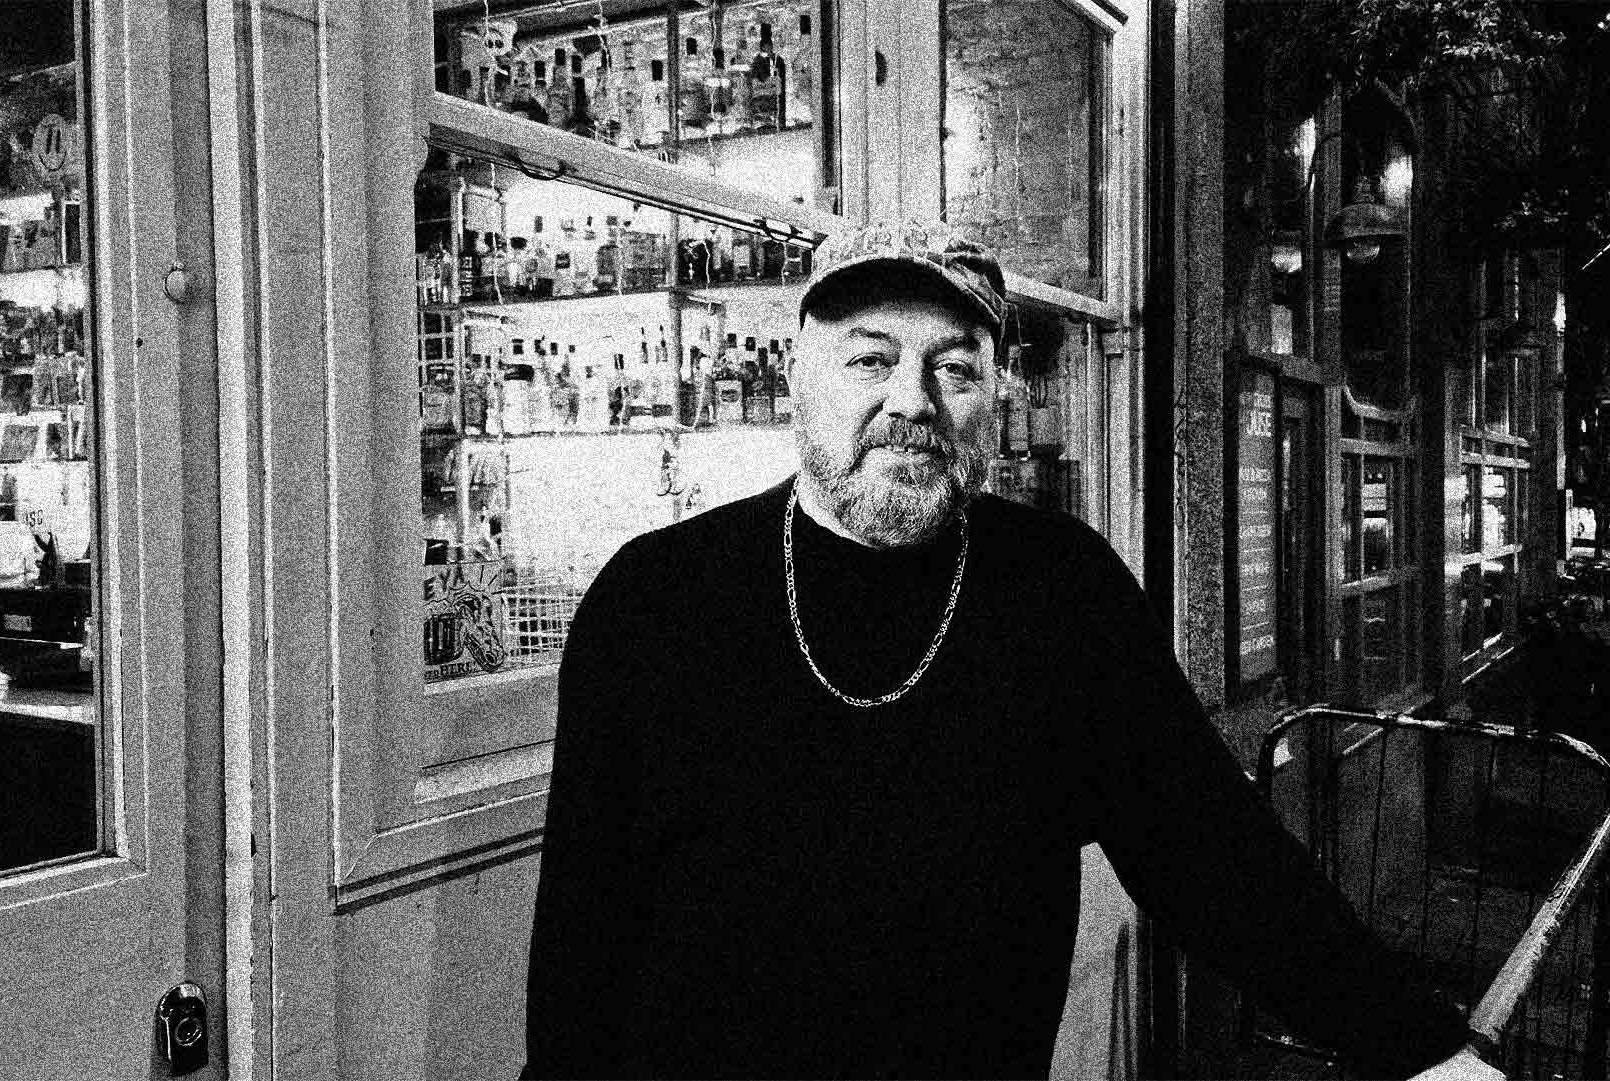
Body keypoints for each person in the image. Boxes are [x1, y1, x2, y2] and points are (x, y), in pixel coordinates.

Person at [523, 221, 1499, 1081]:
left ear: (995, 397)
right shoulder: (654, 600)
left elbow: (1217, 860)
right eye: (869, 360)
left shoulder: (1061, 594)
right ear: (796, 384)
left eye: (955, 368)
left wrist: (1420, 1046)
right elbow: (582, 938)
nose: (912, 400)